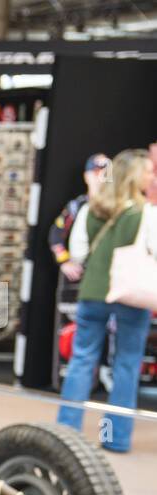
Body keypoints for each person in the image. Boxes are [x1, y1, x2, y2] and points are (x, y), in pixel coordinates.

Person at [58, 149, 157, 453]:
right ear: (135, 176)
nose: (152, 176)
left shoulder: (93, 208)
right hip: (130, 294)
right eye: (148, 171)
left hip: (93, 291)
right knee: (125, 364)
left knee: (82, 359)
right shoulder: (146, 213)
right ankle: (114, 436)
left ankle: (67, 433)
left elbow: (77, 252)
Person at [50, 153, 109, 282]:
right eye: (96, 172)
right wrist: (64, 262)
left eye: (105, 173)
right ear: (86, 176)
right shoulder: (77, 205)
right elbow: (56, 234)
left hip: (104, 274)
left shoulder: (116, 206)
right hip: (78, 273)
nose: (100, 177)